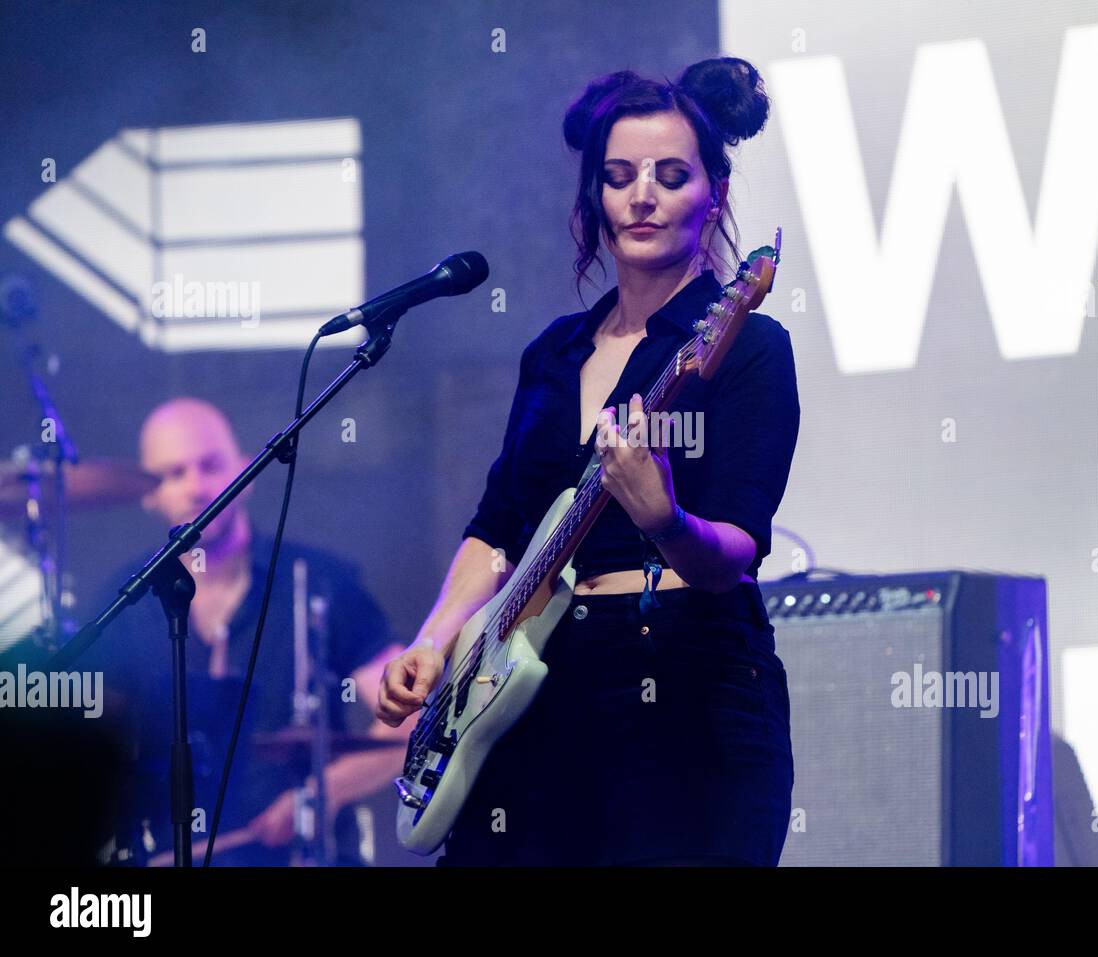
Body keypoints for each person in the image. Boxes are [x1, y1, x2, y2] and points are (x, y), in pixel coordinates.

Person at [377, 57, 800, 866]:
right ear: (593, 198)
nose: (641, 195)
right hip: (534, 687)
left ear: (713, 192)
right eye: (619, 176)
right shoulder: (553, 354)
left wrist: (663, 519)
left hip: (686, 683)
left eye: (671, 175)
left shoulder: (747, 344)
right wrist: (433, 641)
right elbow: (497, 528)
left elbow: (738, 550)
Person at [89, 398, 409, 865]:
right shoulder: (123, 601)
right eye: (173, 474)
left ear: (246, 472)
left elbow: (412, 720)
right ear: (148, 494)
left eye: (210, 465)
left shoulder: (322, 580)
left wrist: (325, 791)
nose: (197, 487)